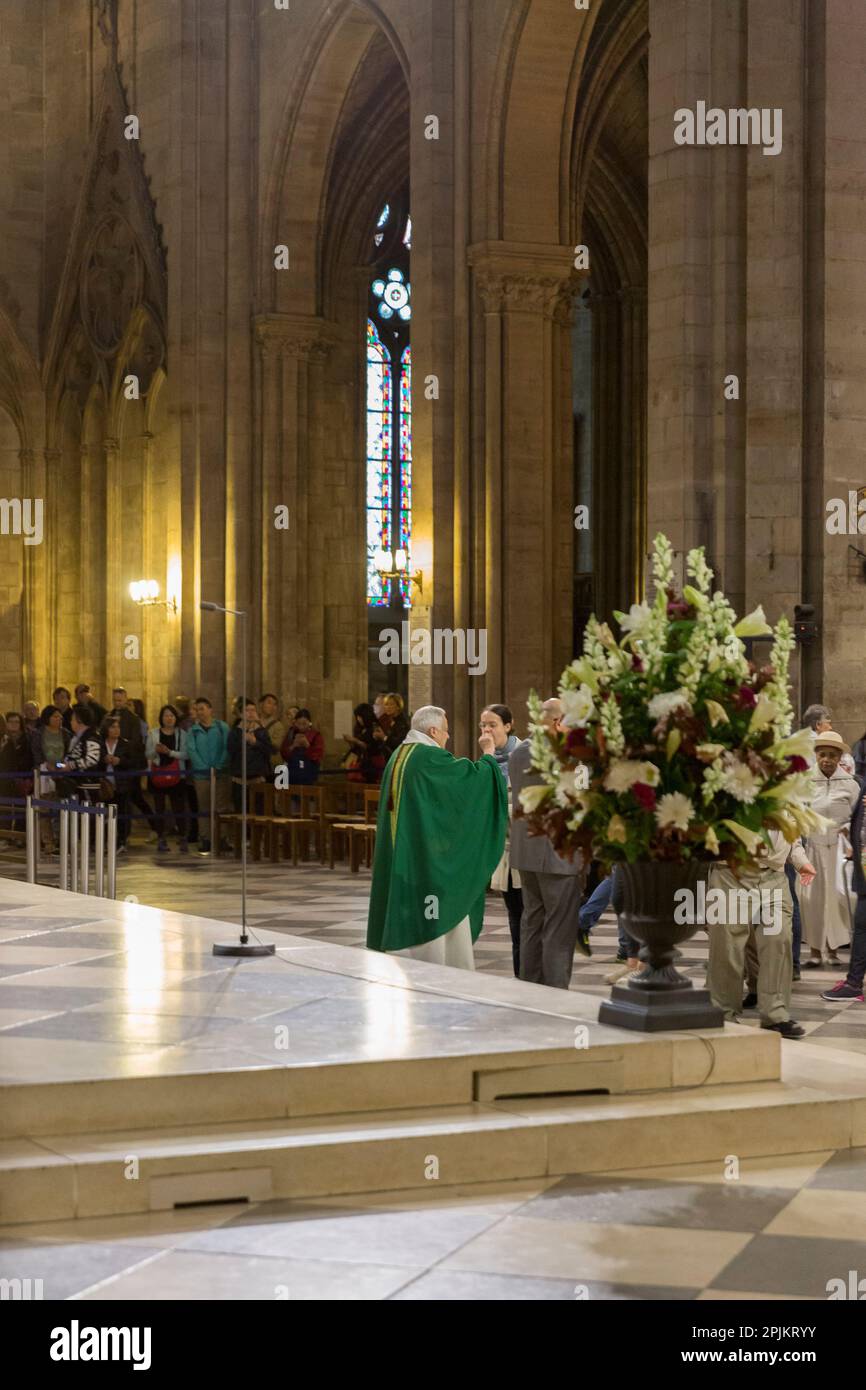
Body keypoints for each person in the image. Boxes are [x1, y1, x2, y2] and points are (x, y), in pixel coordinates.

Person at [367, 705, 507, 968]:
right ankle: (437, 970)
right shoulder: (426, 758)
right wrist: (489, 755)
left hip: (408, 857)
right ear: (432, 731)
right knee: (434, 920)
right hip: (427, 866)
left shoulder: (400, 754)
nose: (447, 737)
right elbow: (469, 783)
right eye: (445, 731)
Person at [508, 697, 587, 989]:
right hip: (560, 854)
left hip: (527, 852)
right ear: (558, 722)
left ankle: (531, 989)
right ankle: (556, 994)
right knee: (559, 929)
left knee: (532, 923)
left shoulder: (518, 753)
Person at [707, 831, 816, 1038]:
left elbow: (791, 830)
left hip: (774, 875)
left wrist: (800, 860)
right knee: (728, 945)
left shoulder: (790, 797)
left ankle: (775, 1015)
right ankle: (723, 1013)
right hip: (731, 871)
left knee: (779, 940)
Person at [800, 730, 860, 970]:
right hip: (812, 847)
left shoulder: (850, 784)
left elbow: (858, 818)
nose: (827, 759)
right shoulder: (805, 782)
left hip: (839, 849)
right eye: (822, 754)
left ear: (839, 758)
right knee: (812, 899)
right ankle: (815, 951)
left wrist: (848, 832)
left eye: (832, 755)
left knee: (836, 900)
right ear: (816, 756)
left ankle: (834, 950)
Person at [480, 705, 524, 976]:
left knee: (530, 916)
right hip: (504, 850)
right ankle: (521, 974)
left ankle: (534, 975)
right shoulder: (487, 759)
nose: (486, 731)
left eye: (492, 724)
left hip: (525, 847)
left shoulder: (524, 755)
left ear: (508, 726)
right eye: (482, 725)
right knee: (515, 915)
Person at [822, 785, 866, 1003]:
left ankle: (854, 982)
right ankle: (854, 982)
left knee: (861, 928)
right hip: (863, 868)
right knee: (860, 927)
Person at [187, 697, 231, 854]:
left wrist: (220, 764)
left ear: (210, 710)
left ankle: (222, 837)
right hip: (202, 775)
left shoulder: (222, 727)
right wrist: (203, 768)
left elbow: (227, 746)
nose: (200, 712)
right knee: (204, 807)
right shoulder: (193, 731)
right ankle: (205, 838)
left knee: (221, 807)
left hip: (221, 773)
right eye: (197, 709)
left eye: (202, 708)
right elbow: (192, 750)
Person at [146, 705, 190, 852]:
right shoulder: (152, 734)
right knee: (159, 808)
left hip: (177, 774)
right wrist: (156, 751)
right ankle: (161, 839)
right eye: (166, 715)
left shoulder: (182, 734)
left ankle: (183, 837)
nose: (169, 718)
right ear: (161, 717)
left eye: (172, 715)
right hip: (158, 773)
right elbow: (147, 755)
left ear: (176, 718)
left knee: (179, 808)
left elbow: (185, 754)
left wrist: (169, 752)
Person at [227, 701, 272, 810]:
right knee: (241, 811)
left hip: (257, 777)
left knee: (258, 811)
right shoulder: (235, 731)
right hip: (239, 777)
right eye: (247, 710)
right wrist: (243, 740)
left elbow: (269, 750)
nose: (251, 713)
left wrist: (255, 742)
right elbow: (231, 750)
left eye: (253, 710)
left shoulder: (261, 731)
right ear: (241, 714)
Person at [100, 715, 134, 850]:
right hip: (103, 784)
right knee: (103, 814)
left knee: (122, 813)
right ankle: (103, 840)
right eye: (113, 727)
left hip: (121, 784)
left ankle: (121, 841)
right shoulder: (100, 743)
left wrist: (120, 761)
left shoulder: (125, 744)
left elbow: (133, 762)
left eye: (118, 727)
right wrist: (103, 759)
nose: (116, 730)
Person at [55, 704, 102, 802]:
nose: (70, 722)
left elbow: (92, 759)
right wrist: (58, 765)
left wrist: (70, 766)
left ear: (79, 720)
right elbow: (69, 759)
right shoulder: (76, 738)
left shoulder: (91, 737)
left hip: (87, 784)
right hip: (75, 783)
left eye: (72, 719)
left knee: (87, 813)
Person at [0, 712, 34, 829]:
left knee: (21, 809)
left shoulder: (27, 739)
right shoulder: (4, 740)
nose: (14, 724)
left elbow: (29, 757)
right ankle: (6, 835)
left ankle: (21, 836)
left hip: (22, 778)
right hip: (5, 779)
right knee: (5, 808)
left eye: (17, 722)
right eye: (11, 722)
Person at [341, 703, 388, 783]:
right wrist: (351, 742)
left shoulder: (374, 727)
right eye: (357, 717)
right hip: (362, 760)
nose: (358, 719)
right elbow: (356, 747)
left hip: (373, 762)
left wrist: (355, 740)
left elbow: (372, 747)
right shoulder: (361, 728)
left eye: (360, 717)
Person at [280, 709, 324, 785]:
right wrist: (293, 746)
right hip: (292, 774)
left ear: (309, 723)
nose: (301, 726)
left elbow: (318, 755)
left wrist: (307, 745)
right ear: (295, 723)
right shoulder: (291, 734)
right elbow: (284, 753)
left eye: (304, 723)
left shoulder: (316, 735)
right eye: (298, 723)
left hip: (309, 773)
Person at [258, 693, 287, 773]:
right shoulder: (253, 722)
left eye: (275, 704)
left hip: (272, 766)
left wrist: (255, 742)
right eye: (269, 702)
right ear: (261, 704)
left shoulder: (278, 725)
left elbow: (275, 746)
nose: (272, 706)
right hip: (255, 765)